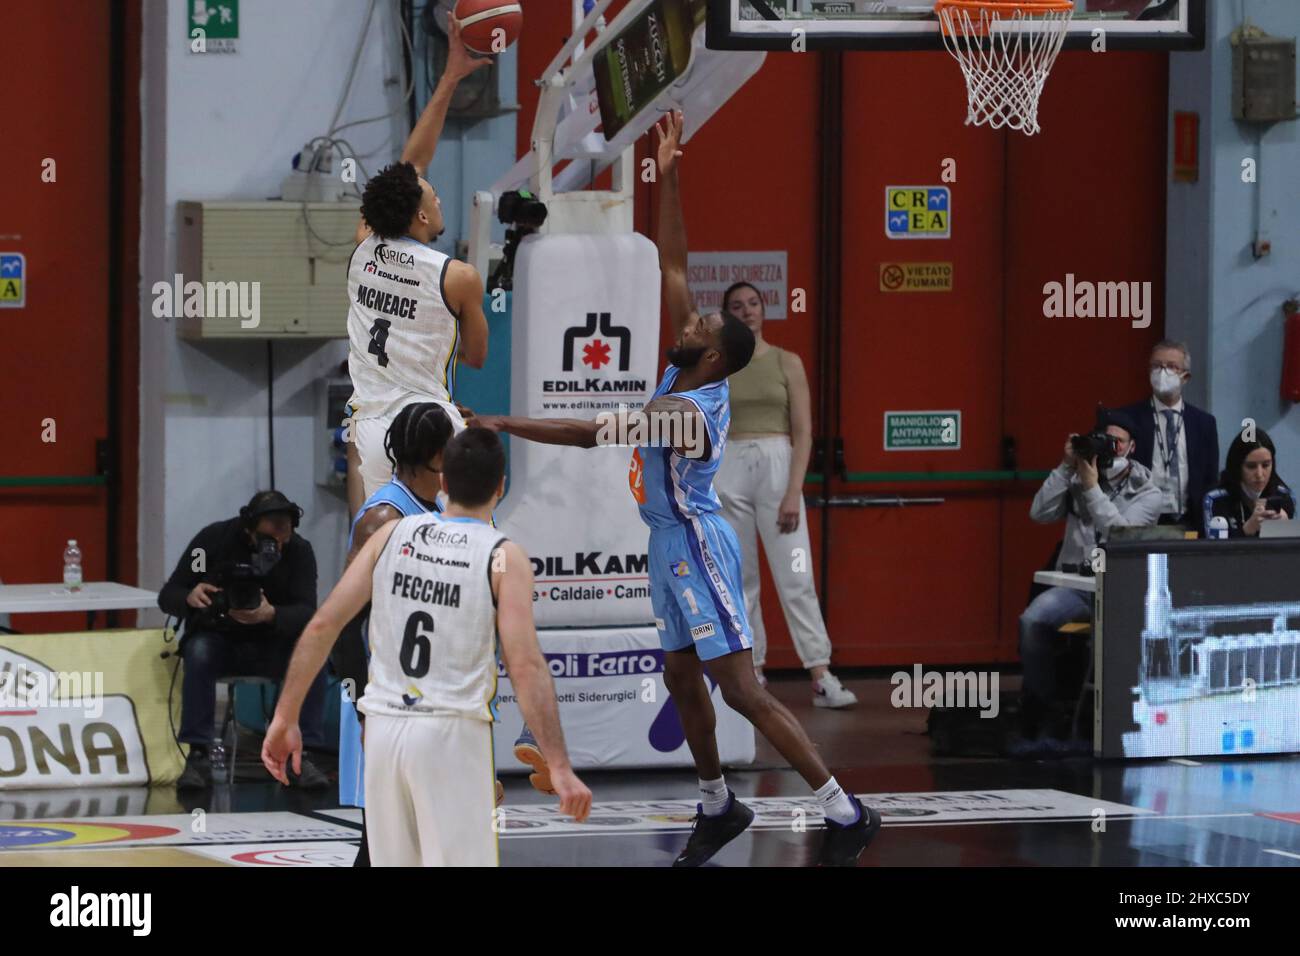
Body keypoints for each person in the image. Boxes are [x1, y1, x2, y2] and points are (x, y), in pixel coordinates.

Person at [476, 111, 881, 867]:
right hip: (666, 545)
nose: (688, 315)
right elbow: (672, 263)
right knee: (678, 673)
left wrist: (500, 419)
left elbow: (590, 432)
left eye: (700, 322)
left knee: (742, 689)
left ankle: (844, 809)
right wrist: (669, 170)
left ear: (715, 356)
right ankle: (716, 802)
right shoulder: (685, 363)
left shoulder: (689, 412)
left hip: (697, 542)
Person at [263, 429, 592, 866]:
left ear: (444, 483)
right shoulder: (502, 554)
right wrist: (560, 765)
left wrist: (285, 717)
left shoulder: (392, 534)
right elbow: (527, 665)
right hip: (450, 733)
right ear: (501, 486)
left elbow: (324, 624)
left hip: (383, 732)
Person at [346, 19, 490, 501]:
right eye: (432, 193)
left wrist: (449, 77)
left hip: (369, 426)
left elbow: (409, 167)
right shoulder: (458, 277)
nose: (437, 193)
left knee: (375, 550)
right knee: (460, 544)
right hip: (429, 422)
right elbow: (476, 356)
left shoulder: (363, 242)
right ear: (422, 213)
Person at [715, 281, 855, 708]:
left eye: (753, 303)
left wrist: (794, 491)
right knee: (740, 579)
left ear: (764, 309)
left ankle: (819, 672)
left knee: (796, 577)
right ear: (726, 315)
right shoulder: (717, 364)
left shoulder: (786, 361)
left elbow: (804, 431)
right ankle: (752, 672)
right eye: (737, 306)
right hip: (728, 468)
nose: (747, 311)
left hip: (778, 468)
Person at [335, 402, 456, 867]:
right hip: (384, 699)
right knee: (385, 841)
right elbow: (345, 620)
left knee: (412, 841)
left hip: (426, 695)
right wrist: (365, 708)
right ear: (439, 454)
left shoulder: (437, 509)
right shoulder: (383, 518)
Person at [158, 490, 323, 790]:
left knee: (313, 656)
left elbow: (307, 612)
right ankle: (199, 754)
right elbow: (168, 594)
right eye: (272, 528)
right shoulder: (212, 541)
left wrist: (271, 614)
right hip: (222, 640)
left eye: (286, 528)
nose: (280, 537)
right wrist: (189, 596)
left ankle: (304, 753)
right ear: (249, 528)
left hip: (273, 642)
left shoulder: (299, 551)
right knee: (198, 649)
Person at [1019, 410, 1162, 739]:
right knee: (1031, 621)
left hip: (1120, 591)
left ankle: (1107, 718)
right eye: (1104, 441)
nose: (1110, 448)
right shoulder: (1077, 477)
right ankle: (1043, 707)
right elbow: (1038, 513)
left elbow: (1118, 534)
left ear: (1131, 447)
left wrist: (1092, 488)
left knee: (1111, 636)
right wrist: (1065, 467)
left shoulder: (1147, 491)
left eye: (1117, 442)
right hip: (1076, 588)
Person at [1117, 340, 1219, 526]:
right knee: (1155, 558)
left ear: (1185, 376)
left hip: (1189, 521)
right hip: (1140, 520)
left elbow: (1210, 478)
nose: (1163, 372)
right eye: (1157, 366)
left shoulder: (1204, 423)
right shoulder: (1128, 419)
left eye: (1171, 367)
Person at [1202, 428, 1295, 537]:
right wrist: (1247, 529)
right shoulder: (1216, 500)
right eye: (1251, 466)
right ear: (1237, 467)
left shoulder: (1283, 496)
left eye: (1266, 465)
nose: (1260, 474)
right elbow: (1213, 551)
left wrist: (1287, 530)